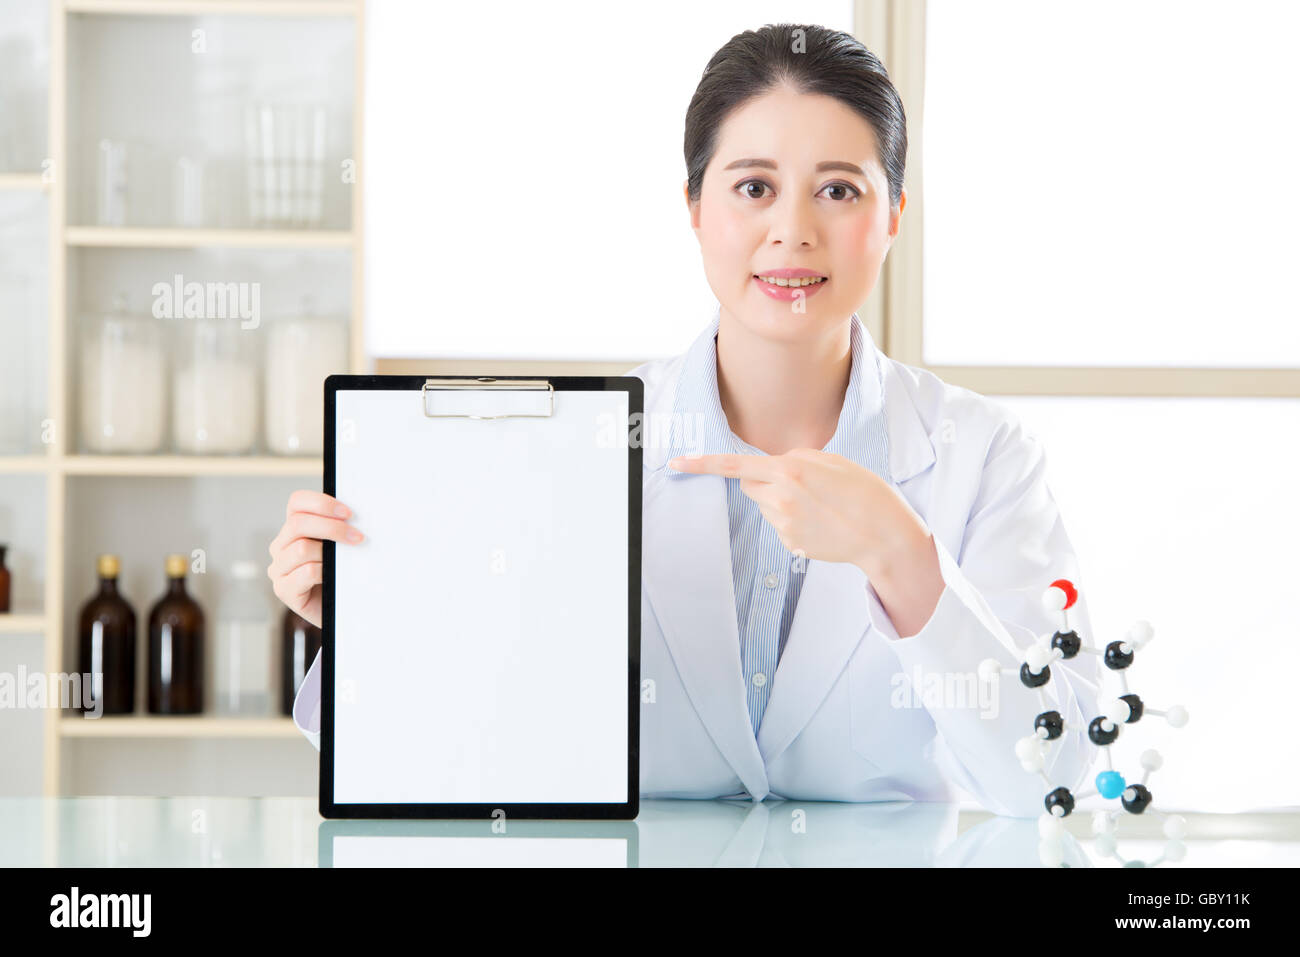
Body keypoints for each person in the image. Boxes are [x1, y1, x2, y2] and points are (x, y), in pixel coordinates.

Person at [267, 23, 1100, 817]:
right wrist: (386, 617)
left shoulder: (984, 455)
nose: (793, 231)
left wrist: (904, 558)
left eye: (839, 190)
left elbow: (1052, 780)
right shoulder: (573, 445)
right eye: (753, 187)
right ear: (696, 207)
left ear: (891, 218)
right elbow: (454, 754)